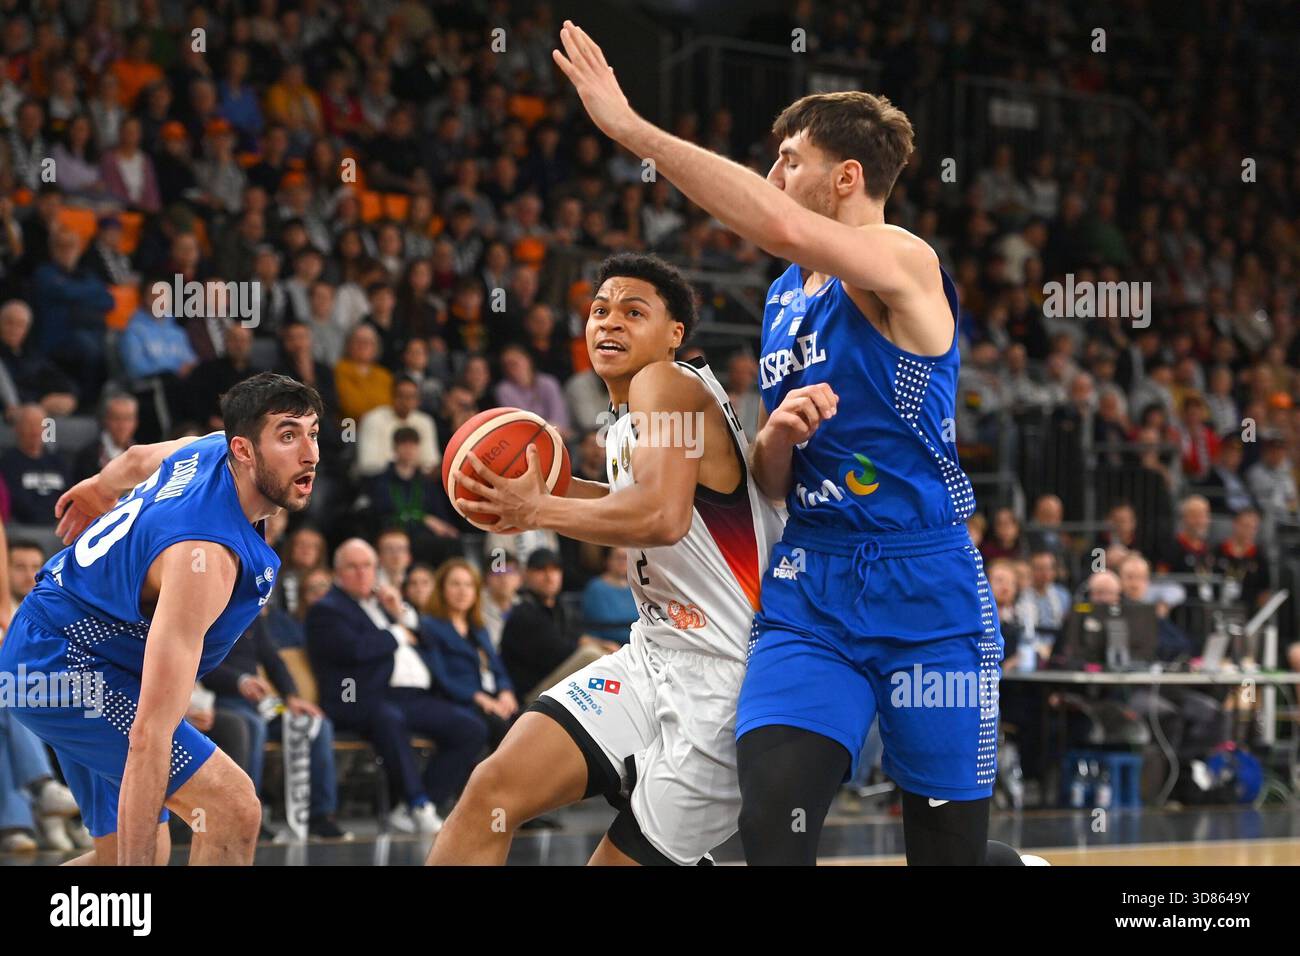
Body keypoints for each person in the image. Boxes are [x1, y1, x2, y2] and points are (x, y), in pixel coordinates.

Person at [549, 22, 1023, 865]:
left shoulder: (901, 260)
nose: (773, 176)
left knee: (945, 853)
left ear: (846, 177)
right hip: (813, 587)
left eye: (789, 160)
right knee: (772, 823)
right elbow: (772, 483)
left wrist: (629, 128)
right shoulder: (781, 298)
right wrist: (774, 437)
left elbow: (785, 227)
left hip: (927, 587)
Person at [428, 251, 784, 867]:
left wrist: (537, 511)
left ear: (675, 335)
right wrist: (541, 488)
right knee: (492, 791)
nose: (608, 323)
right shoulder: (630, 418)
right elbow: (645, 503)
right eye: (599, 310)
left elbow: (662, 518)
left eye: (632, 311)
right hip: (652, 656)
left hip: (725, 678)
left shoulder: (665, 384)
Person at [0, 372, 322, 864]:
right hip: (67, 670)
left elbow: (132, 460)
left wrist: (98, 487)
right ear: (244, 450)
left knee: (123, 853)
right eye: (287, 435)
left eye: (313, 433)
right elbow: (149, 737)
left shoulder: (209, 449)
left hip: (56, 644)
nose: (310, 454)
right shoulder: (205, 556)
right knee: (230, 809)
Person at [305, 539, 487, 833]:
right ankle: (417, 804)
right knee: (388, 718)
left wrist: (400, 612)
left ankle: (413, 806)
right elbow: (355, 650)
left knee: (472, 728)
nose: (362, 573)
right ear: (337, 572)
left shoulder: (384, 604)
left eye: (368, 566)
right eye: (352, 567)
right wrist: (397, 633)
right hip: (357, 697)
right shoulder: (327, 609)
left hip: (409, 698)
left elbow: (428, 639)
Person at [418, 559, 518, 749]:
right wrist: (478, 697)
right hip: (461, 701)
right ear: (442, 589)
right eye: (455, 584)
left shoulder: (479, 628)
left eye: (468, 585)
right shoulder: (430, 626)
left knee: (529, 723)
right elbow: (440, 676)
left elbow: (497, 667)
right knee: (504, 732)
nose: (463, 591)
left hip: (492, 698)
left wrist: (506, 691)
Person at [581, 547, 637, 645]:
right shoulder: (596, 587)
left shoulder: (637, 587)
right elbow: (599, 621)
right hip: (604, 644)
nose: (622, 562)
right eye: (618, 558)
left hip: (636, 642)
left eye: (626, 558)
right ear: (607, 560)